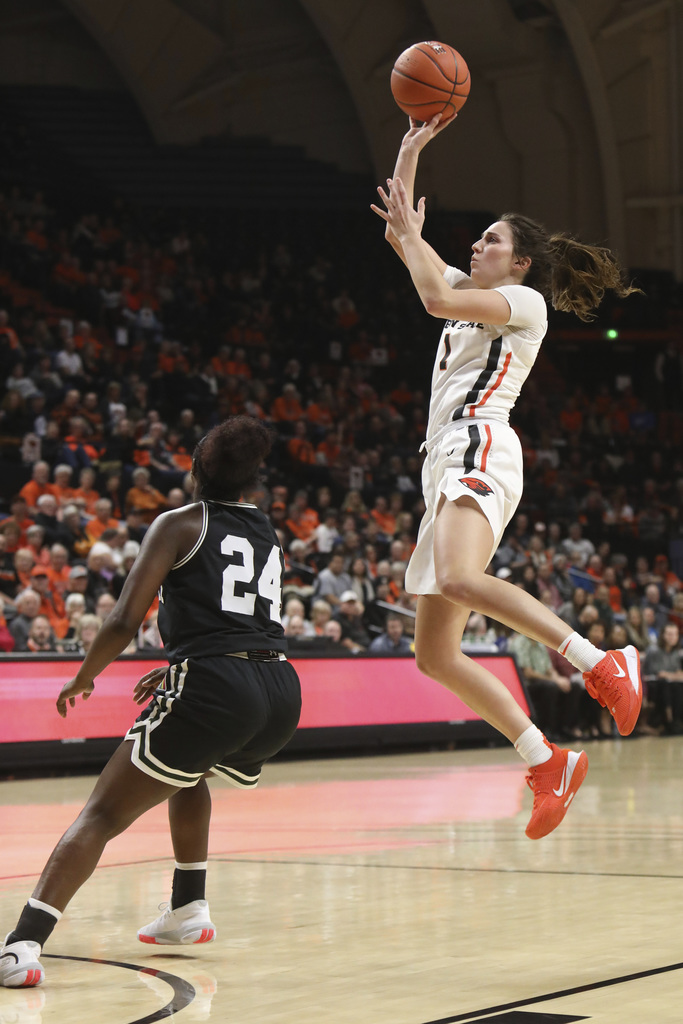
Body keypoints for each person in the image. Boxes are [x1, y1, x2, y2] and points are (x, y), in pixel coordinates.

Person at [371, 111, 643, 840]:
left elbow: (430, 291)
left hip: (478, 444)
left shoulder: (521, 303)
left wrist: (412, 234)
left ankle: (598, 659)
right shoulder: (471, 299)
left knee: (459, 580)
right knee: (433, 653)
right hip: (442, 464)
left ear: (520, 261)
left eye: (491, 238)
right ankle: (544, 757)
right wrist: (408, 151)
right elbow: (409, 246)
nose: (477, 242)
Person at [0, 415, 302, 988]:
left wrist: (83, 676)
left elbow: (120, 620)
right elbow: (233, 617)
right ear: (251, 481)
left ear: (194, 467)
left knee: (102, 814)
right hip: (279, 690)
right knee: (189, 773)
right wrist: (182, 666)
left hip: (218, 684)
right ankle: (189, 907)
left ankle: (20, 947)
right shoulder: (265, 528)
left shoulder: (177, 523)